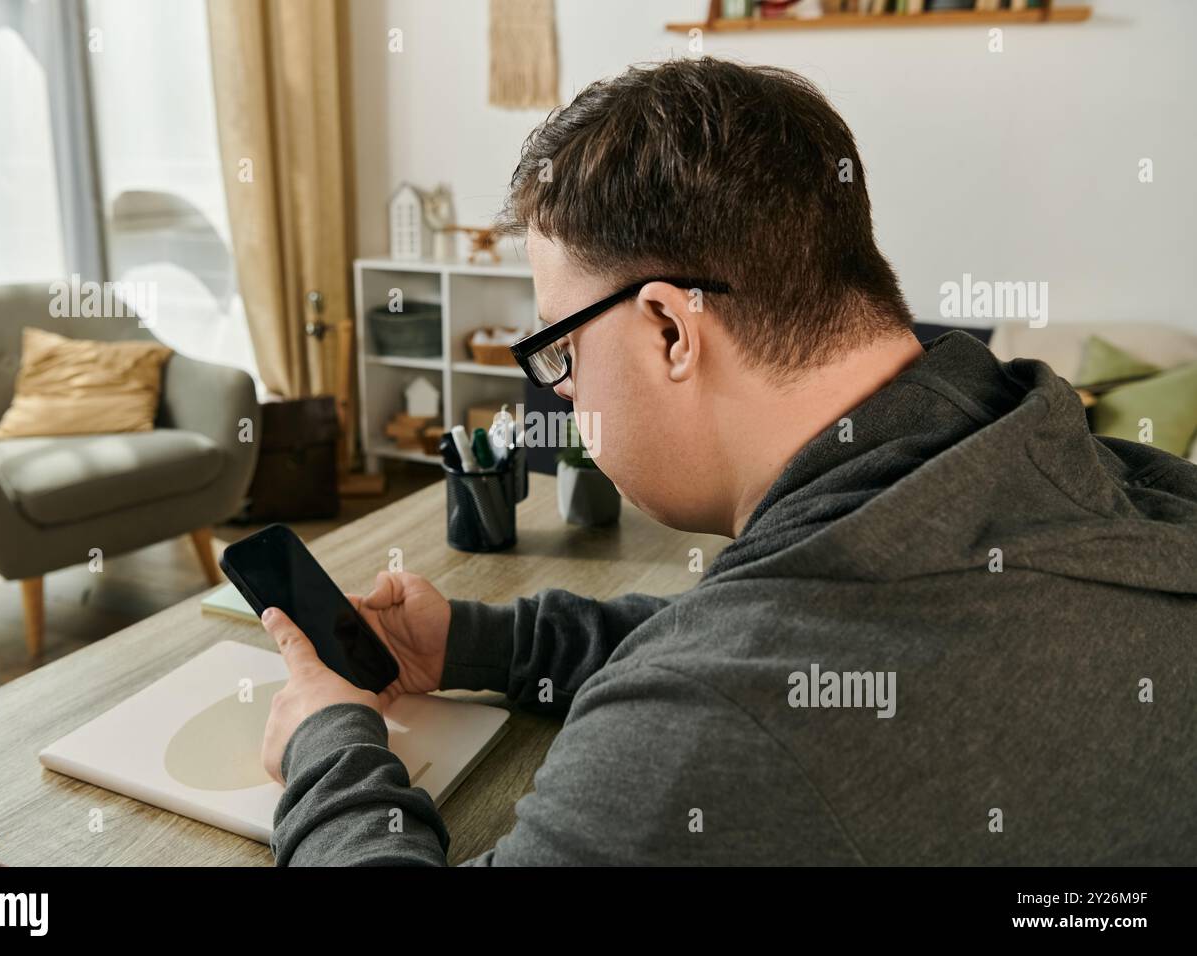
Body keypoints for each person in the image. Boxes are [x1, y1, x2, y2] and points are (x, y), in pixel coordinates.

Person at [260, 58, 1197, 865]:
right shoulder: (1074, 465)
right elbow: (768, 638)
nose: (563, 398)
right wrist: (479, 643)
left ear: (670, 326)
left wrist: (328, 743)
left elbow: (738, 676)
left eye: (562, 352)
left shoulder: (701, 733)